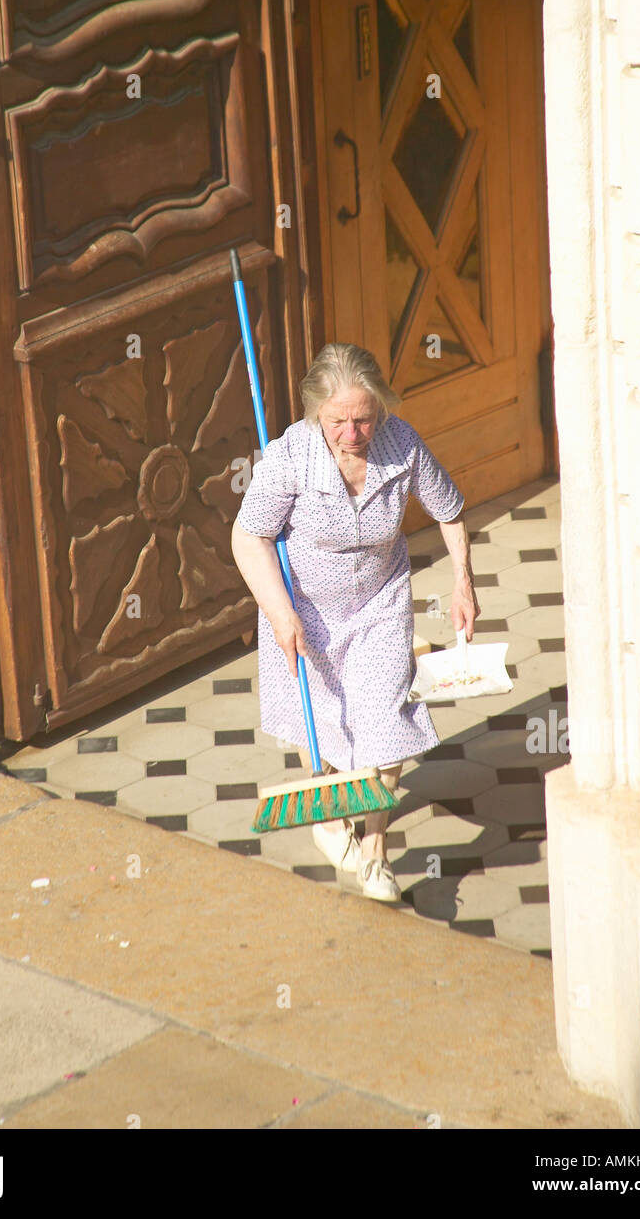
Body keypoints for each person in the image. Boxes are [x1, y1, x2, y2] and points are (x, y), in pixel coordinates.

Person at [231, 343, 480, 902]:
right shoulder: (291, 457)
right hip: (306, 612)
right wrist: (278, 613)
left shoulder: (401, 445)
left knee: (383, 718)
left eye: (363, 419)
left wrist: (463, 582)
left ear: (381, 409)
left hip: (379, 603)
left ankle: (375, 854)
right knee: (320, 715)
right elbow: (249, 537)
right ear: (318, 412)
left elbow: (449, 510)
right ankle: (328, 812)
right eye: (338, 420)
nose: (352, 433)